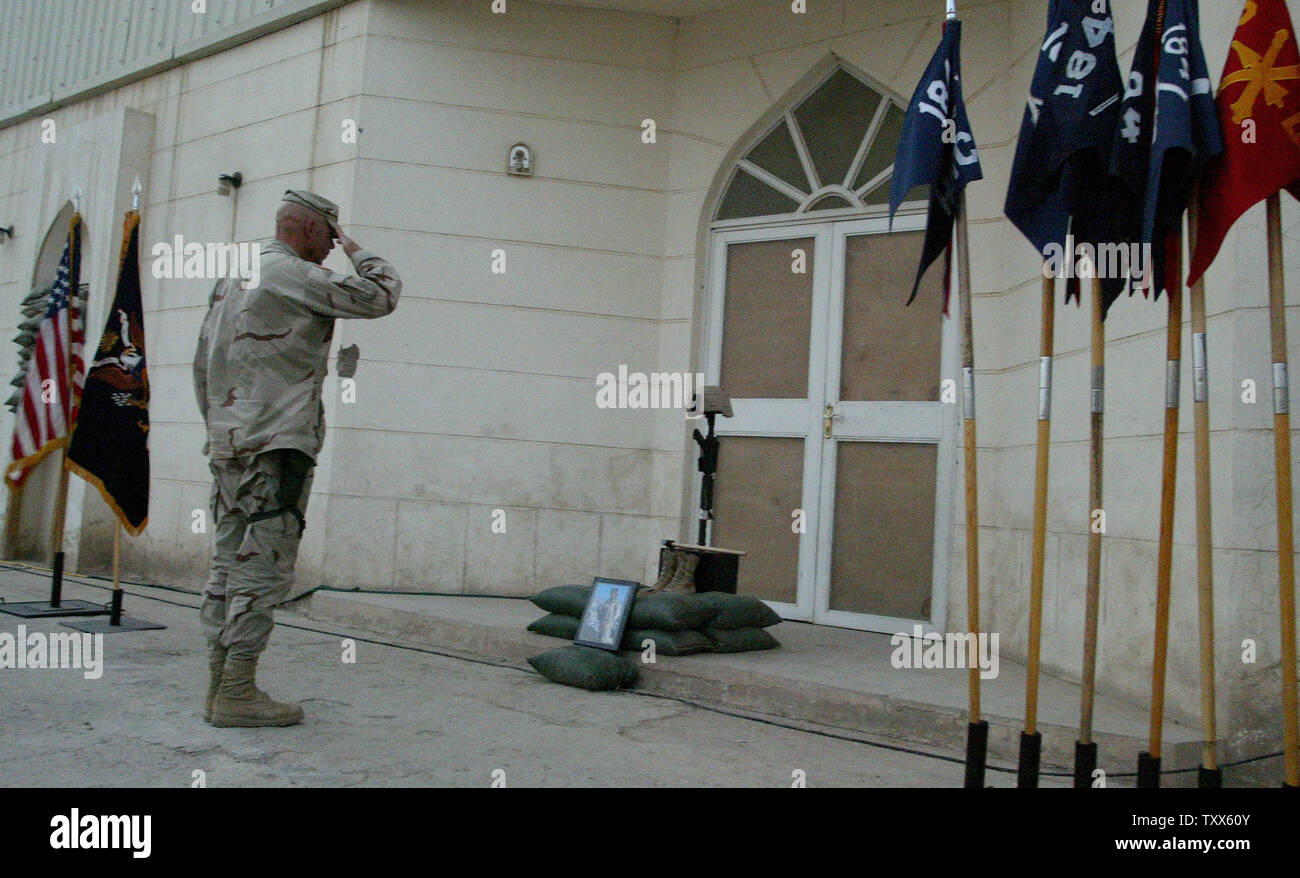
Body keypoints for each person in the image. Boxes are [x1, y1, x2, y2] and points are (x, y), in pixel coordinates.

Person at [193, 190, 402, 727]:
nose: (331, 251)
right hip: (276, 449)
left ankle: (219, 688)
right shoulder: (296, 276)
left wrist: (221, 429)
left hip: (228, 445)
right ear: (312, 232)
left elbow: (202, 363)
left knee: (225, 564)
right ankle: (237, 693)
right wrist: (359, 249)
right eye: (329, 239)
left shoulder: (233, 276)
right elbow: (381, 294)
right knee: (261, 570)